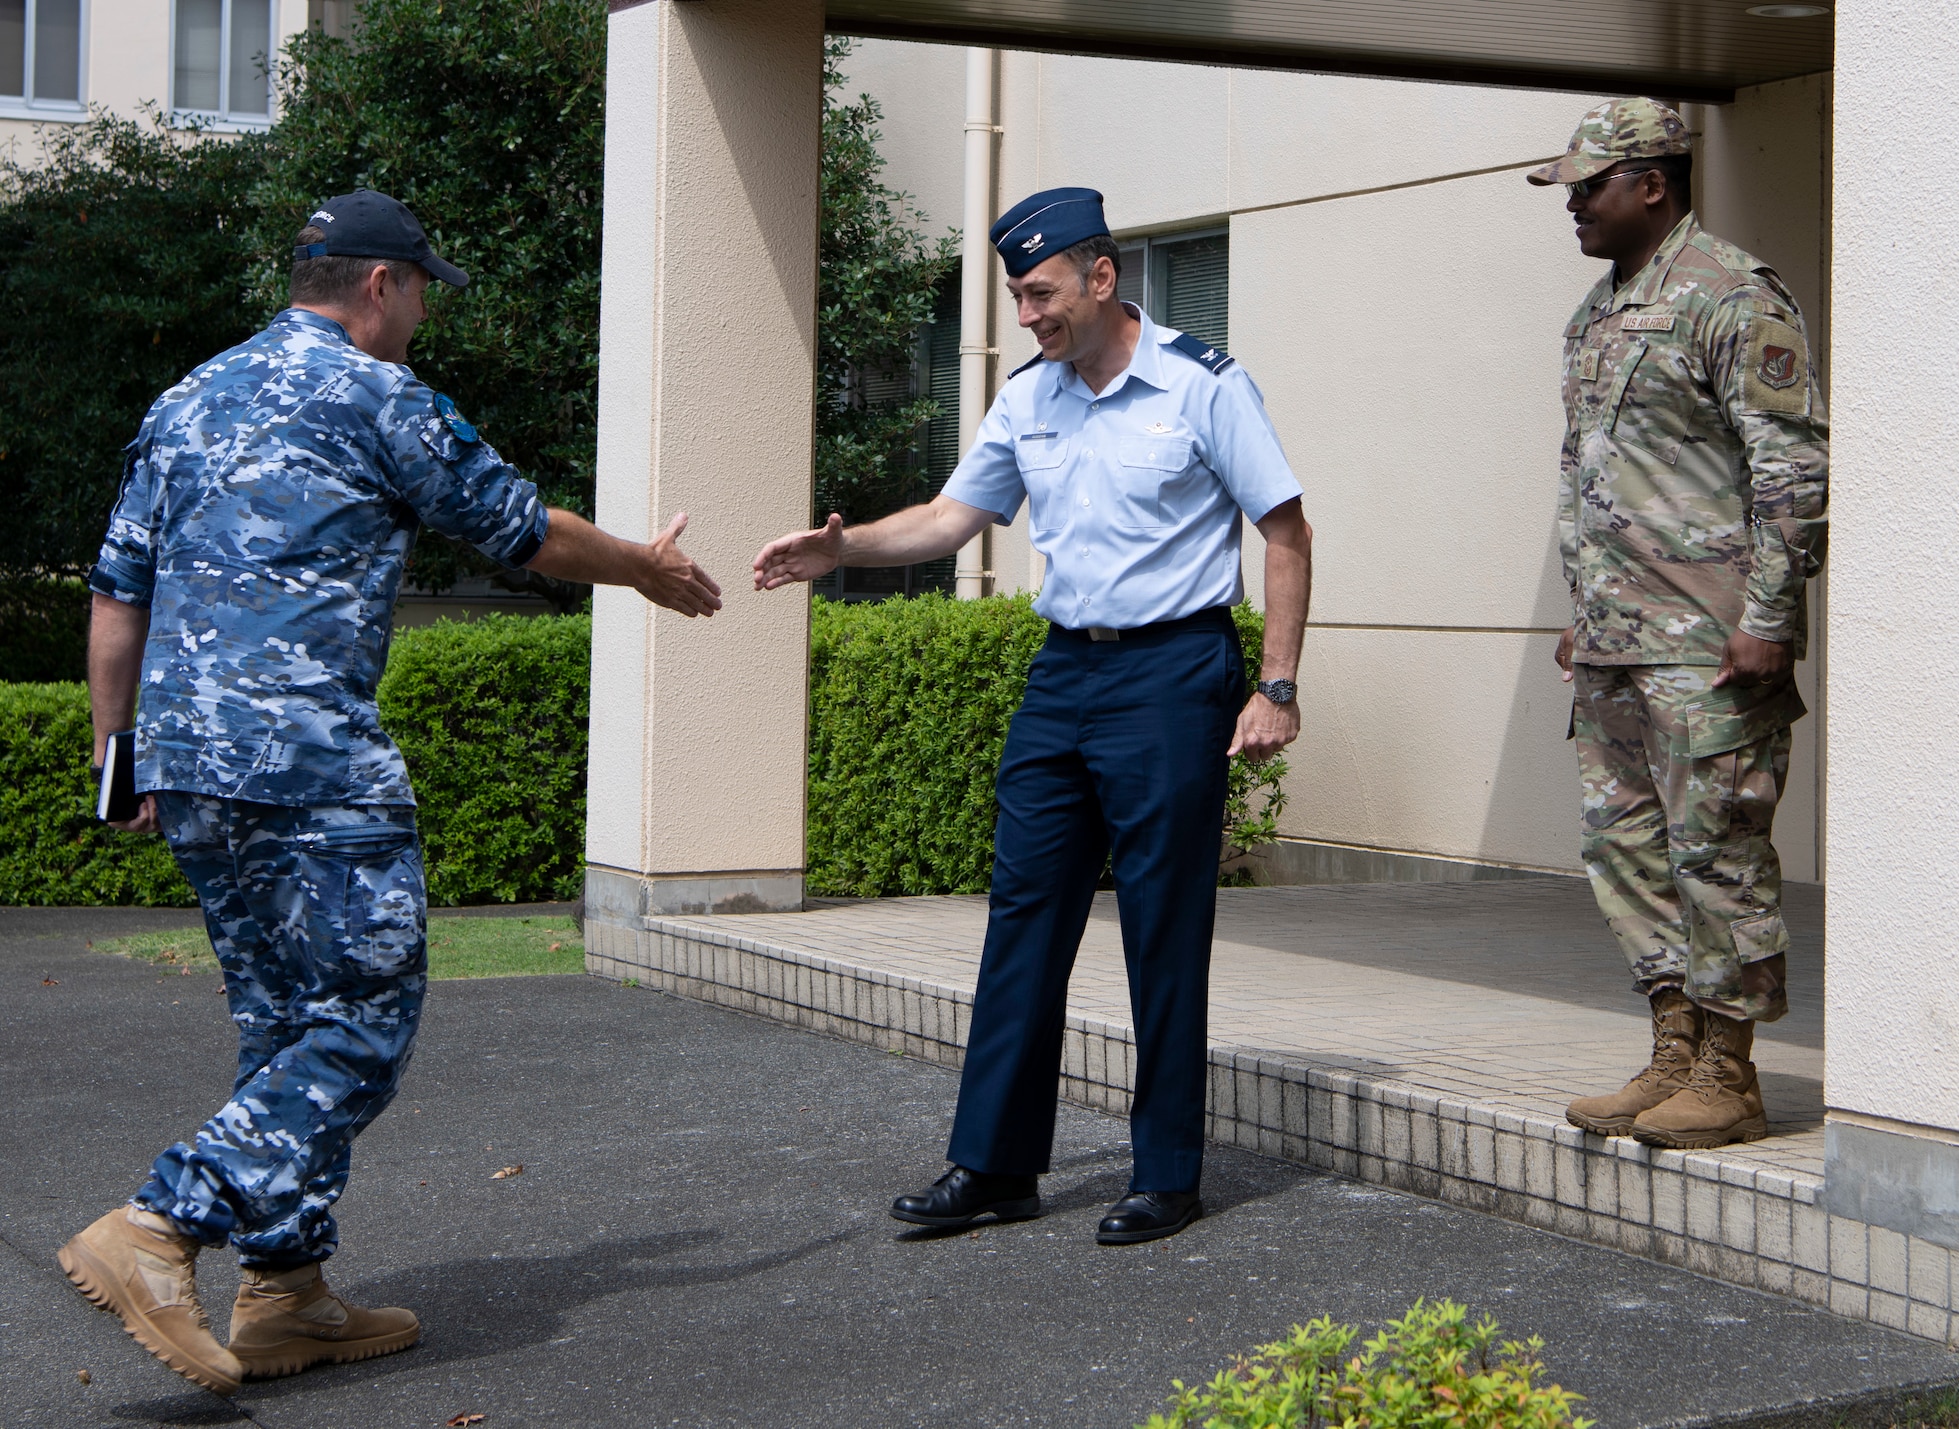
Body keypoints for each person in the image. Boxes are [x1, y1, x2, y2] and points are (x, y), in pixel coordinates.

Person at [60, 190, 723, 1395]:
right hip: (313, 765)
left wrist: (123, 764)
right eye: (422, 290)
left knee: (281, 1029)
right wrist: (645, 567)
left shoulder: (185, 398)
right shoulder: (377, 396)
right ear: (380, 285)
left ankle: (287, 1292)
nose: (423, 314)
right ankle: (160, 1226)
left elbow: (116, 598)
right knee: (363, 1021)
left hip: (188, 766)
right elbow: (523, 533)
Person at [754, 186, 1311, 1245]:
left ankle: (1165, 1172)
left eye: (1039, 291)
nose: (1026, 314)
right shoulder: (1028, 398)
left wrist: (1273, 685)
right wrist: (842, 549)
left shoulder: (1200, 385)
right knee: (1022, 914)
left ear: (1101, 278)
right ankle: (994, 1164)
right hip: (1063, 675)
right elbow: (949, 517)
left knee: (1161, 924)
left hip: (1173, 670)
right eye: (1016, 293)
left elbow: (1284, 531)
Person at [1531, 101, 1828, 1149]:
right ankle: (1671, 1053)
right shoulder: (1597, 312)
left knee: (1718, 853)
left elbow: (1788, 469)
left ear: (1651, 182)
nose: (1571, 202)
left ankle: (1729, 1073)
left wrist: (1769, 617)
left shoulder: (1729, 296)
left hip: (1707, 644)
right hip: (1616, 642)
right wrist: (1580, 613)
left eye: (1589, 183)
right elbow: (1587, 479)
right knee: (1624, 853)